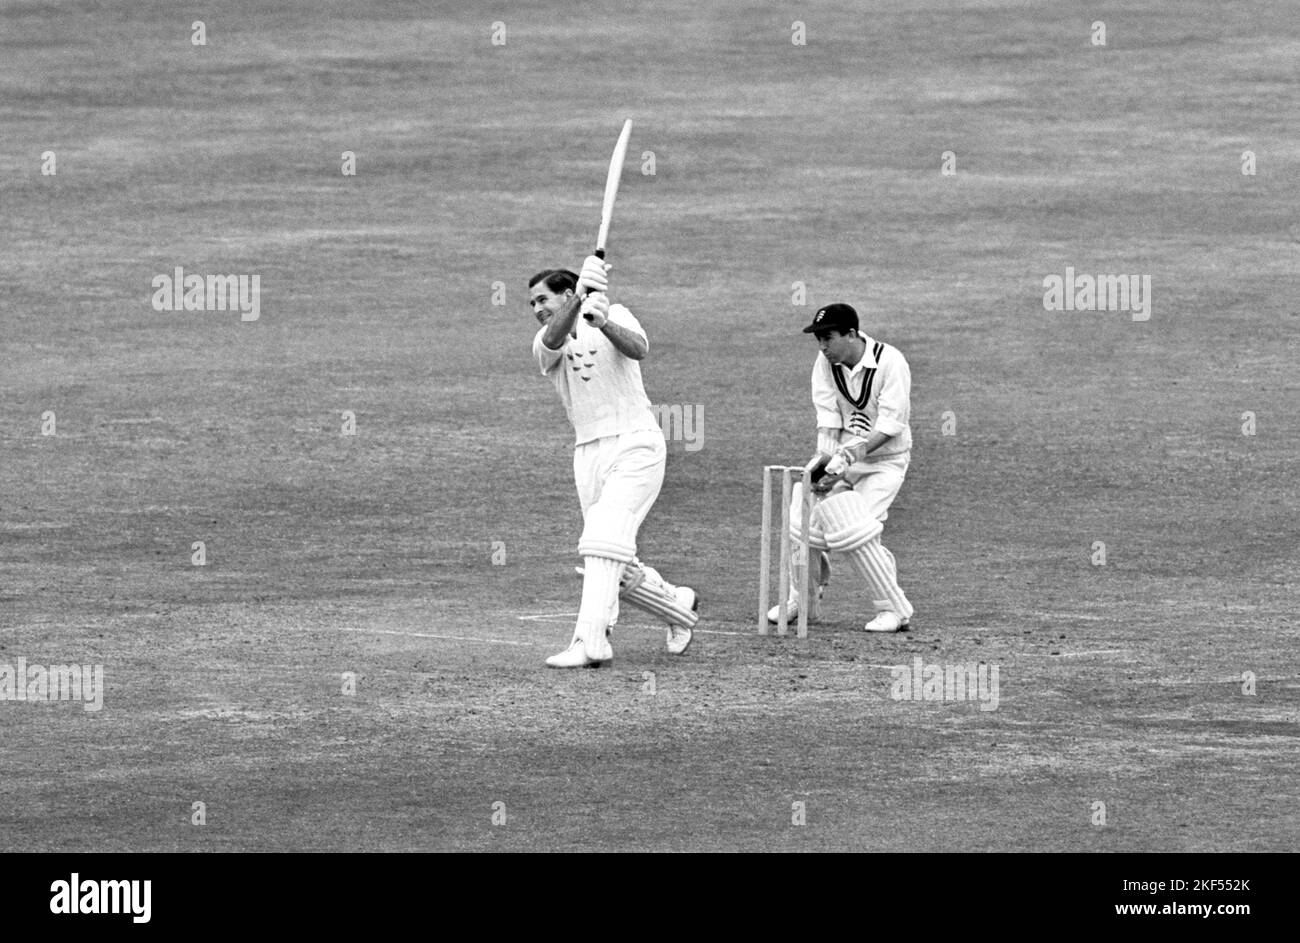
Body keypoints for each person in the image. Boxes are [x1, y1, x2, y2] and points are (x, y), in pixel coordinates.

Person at [528, 256, 699, 667]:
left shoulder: (614, 312)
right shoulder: (546, 339)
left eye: (542, 299)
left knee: (602, 541)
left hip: (636, 442)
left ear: (565, 293)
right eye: (531, 304)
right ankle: (677, 605)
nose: (536, 310)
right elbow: (553, 341)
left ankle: (590, 642)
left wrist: (602, 321)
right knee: (611, 557)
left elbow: (639, 348)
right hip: (588, 452)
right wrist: (579, 299)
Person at [767, 302, 914, 632]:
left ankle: (894, 609)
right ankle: (802, 600)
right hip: (841, 459)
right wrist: (824, 467)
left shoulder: (891, 362)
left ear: (851, 334)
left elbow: (892, 424)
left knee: (855, 530)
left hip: (884, 464)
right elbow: (828, 419)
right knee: (798, 520)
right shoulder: (825, 362)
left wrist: (852, 455)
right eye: (818, 340)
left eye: (827, 339)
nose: (822, 347)